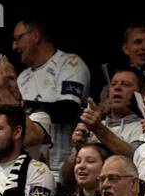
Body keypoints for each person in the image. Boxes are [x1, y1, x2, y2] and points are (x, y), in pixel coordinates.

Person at [12, 18, 90, 172]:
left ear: (35, 35)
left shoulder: (70, 63)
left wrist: (22, 105)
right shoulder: (22, 78)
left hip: (63, 167)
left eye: (18, 39)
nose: (14, 46)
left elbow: (67, 110)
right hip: (29, 167)